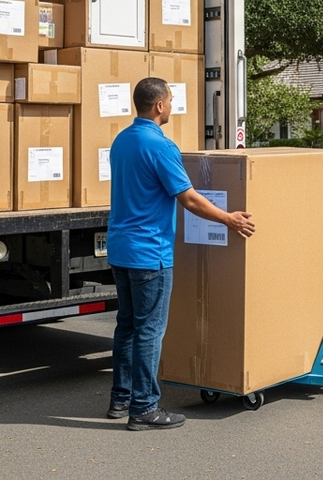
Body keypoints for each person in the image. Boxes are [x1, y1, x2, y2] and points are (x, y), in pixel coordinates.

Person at [106, 77, 256, 431]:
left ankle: (121, 399)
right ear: (159, 105)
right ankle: (144, 408)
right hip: (150, 252)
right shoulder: (160, 146)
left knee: (127, 327)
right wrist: (229, 219)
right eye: (170, 100)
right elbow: (188, 198)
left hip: (121, 248)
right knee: (149, 331)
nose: (172, 106)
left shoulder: (121, 140)